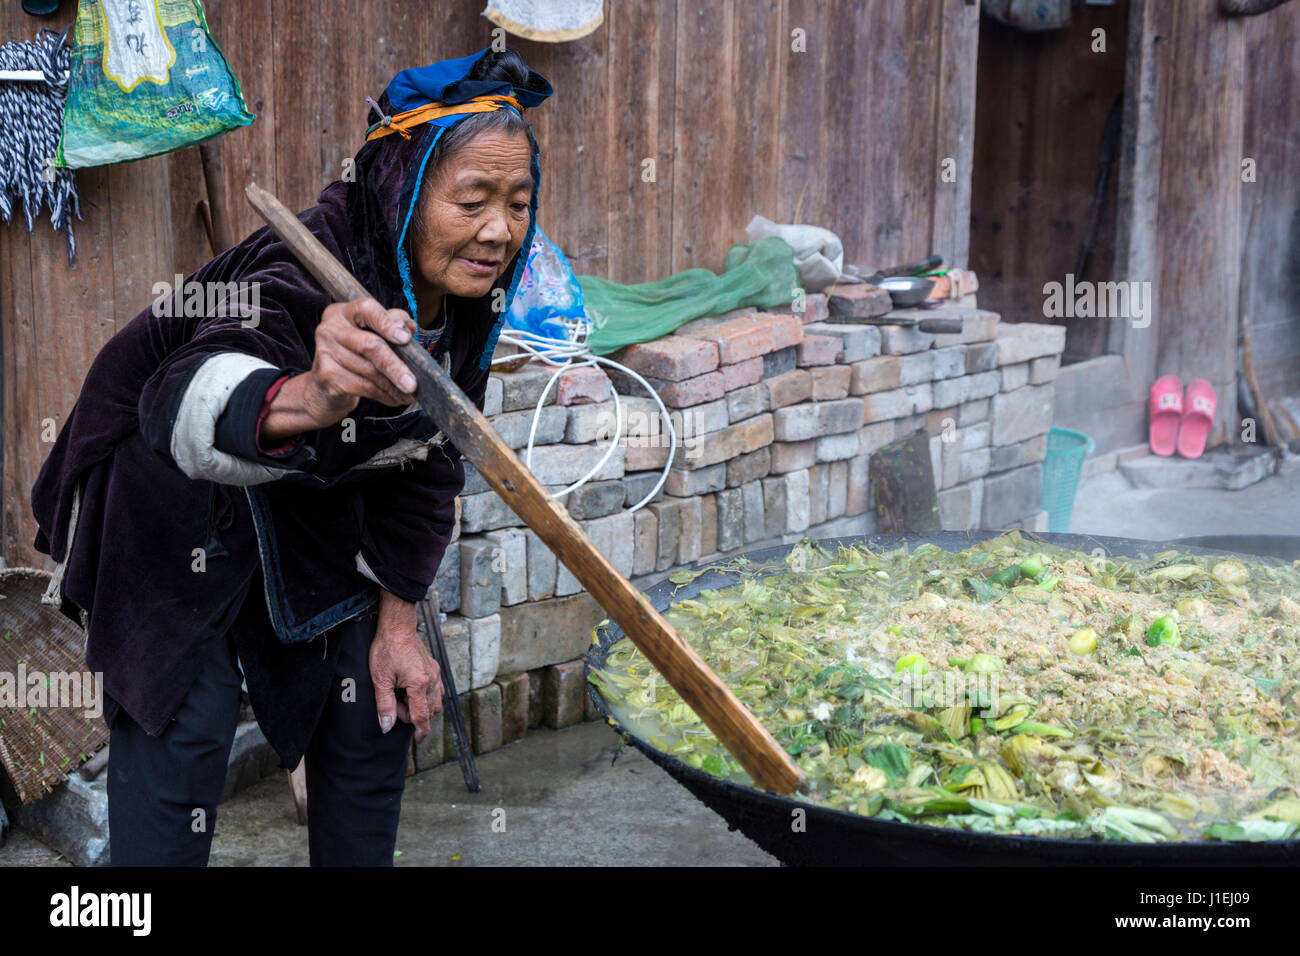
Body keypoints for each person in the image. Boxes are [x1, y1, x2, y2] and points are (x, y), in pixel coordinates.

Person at [29, 47, 553, 866]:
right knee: (184, 729)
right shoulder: (303, 266)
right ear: (402, 186)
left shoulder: (466, 287)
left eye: (518, 203)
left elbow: (435, 453)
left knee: (371, 706)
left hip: (305, 500)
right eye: (473, 199)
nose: (499, 229)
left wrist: (399, 620)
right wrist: (311, 395)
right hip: (171, 497)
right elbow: (182, 392)